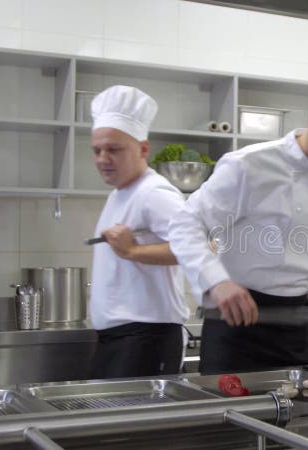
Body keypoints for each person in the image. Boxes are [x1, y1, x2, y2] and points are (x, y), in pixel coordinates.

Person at [168, 65, 308, 372]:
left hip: (297, 323)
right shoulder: (249, 165)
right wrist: (217, 282)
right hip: (237, 321)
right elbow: (185, 224)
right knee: (230, 419)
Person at [88, 85, 190, 378]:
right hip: (120, 337)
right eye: (97, 150)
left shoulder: (154, 192)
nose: (102, 159)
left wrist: (133, 251)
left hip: (147, 337)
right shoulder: (120, 193)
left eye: (114, 149)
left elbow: (202, 246)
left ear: (143, 149)